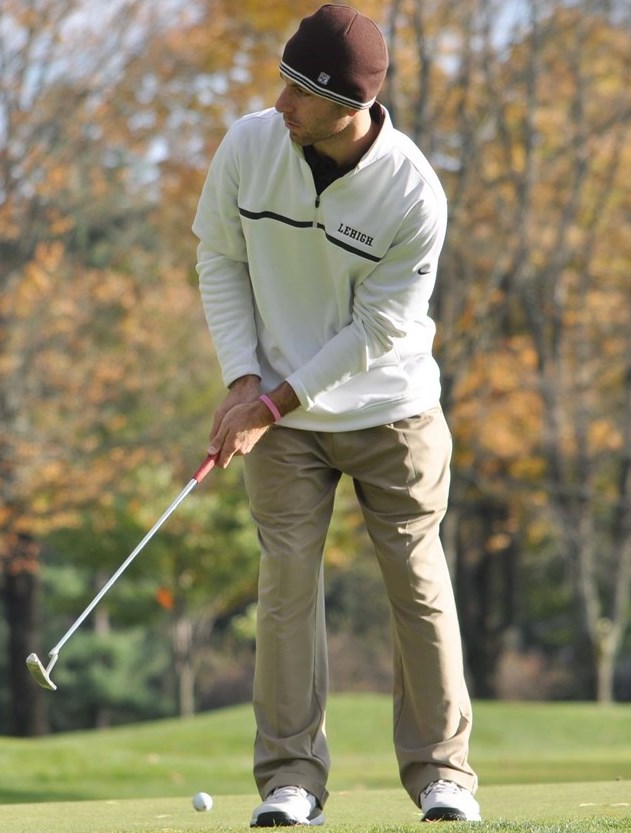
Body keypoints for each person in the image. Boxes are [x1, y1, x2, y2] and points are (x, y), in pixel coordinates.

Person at [192, 4, 480, 826]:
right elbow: (219, 255)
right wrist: (242, 378)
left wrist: (271, 400)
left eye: (301, 93)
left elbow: (377, 330)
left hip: (391, 408)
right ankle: (291, 779)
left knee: (416, 580)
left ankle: (444, 776)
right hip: (281, 417)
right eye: (282, 81)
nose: (280, 103)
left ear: (351, 107)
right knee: (285, 583)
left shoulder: (412, 192)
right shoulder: (251, 145)